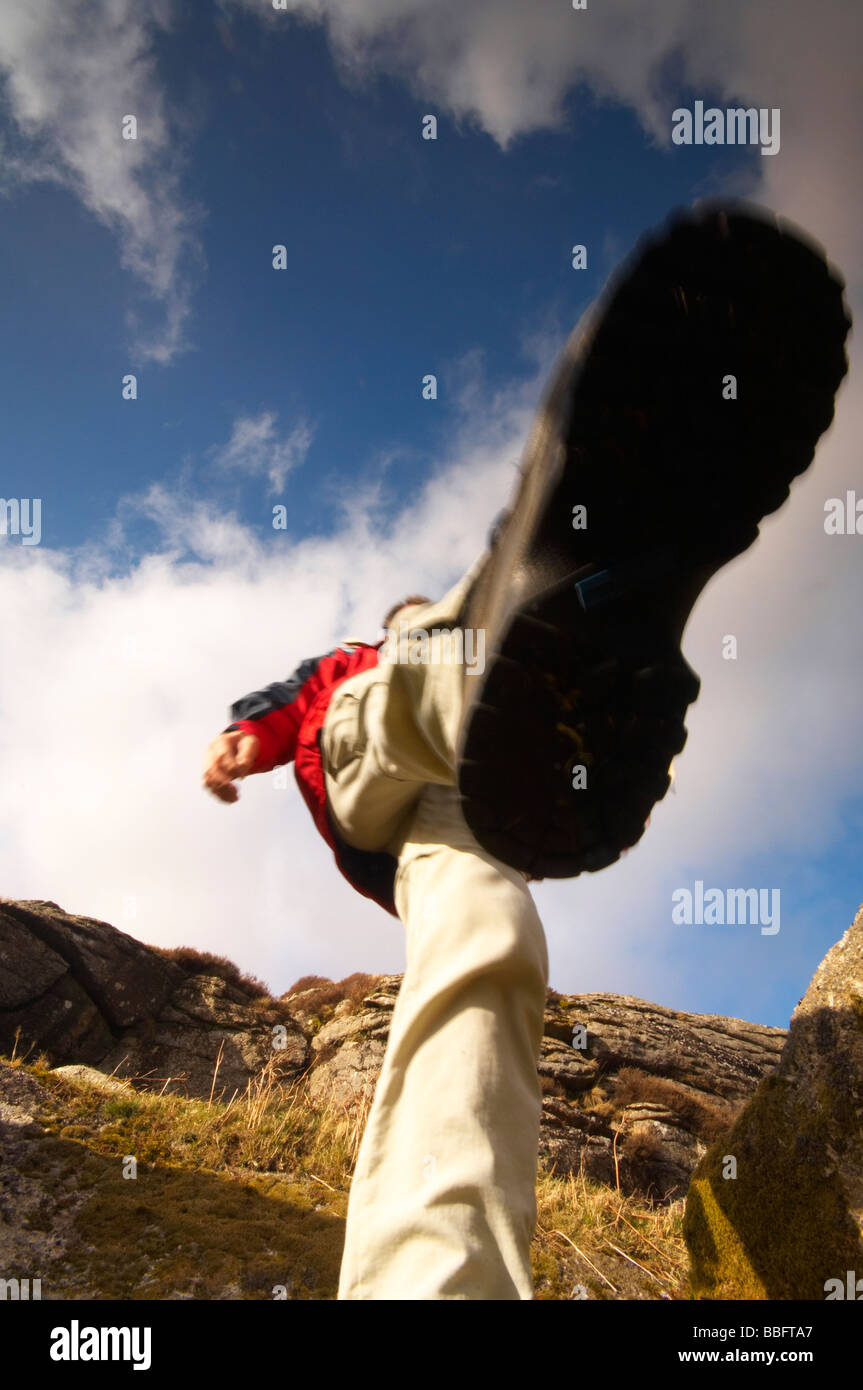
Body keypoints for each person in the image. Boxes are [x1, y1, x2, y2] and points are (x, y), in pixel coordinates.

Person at [202, 199, 850, 1299]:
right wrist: (238, 747)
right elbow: (273, 715)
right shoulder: (340, 667)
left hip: (466, 808)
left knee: (492, 942)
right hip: (368, 781)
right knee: (418, 664)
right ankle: (543, 601)